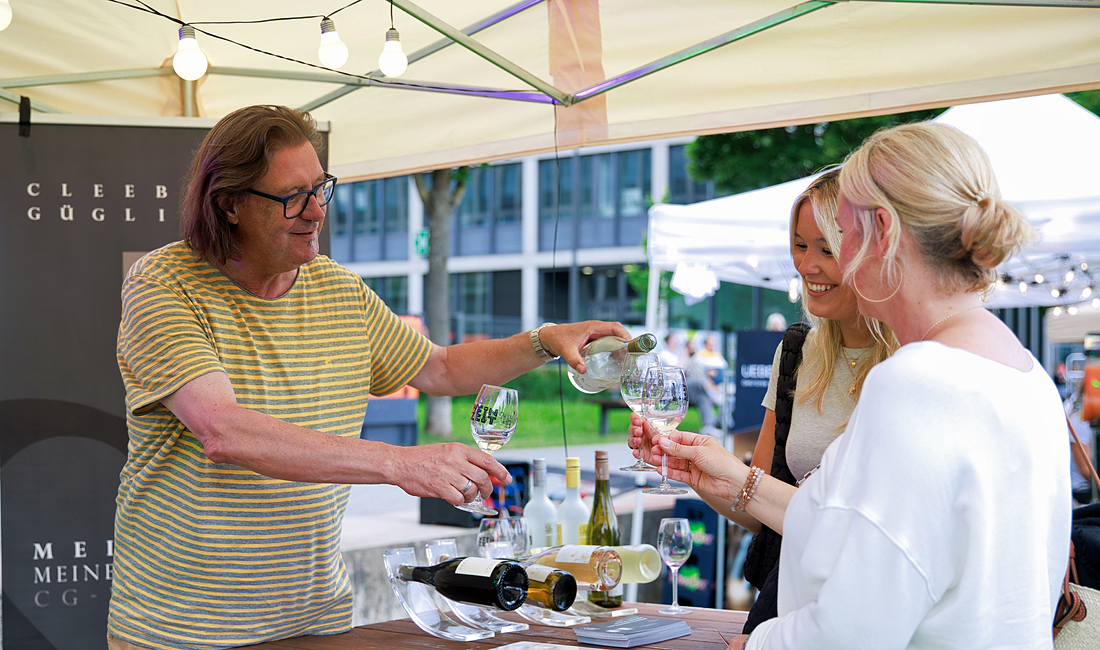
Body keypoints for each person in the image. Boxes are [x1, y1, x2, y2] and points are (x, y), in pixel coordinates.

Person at [109, 105, 630, 650]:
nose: (315, 212)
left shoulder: (338, 289)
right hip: (182, 628)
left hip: (316, 617)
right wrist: (400, 462)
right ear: (230, 204)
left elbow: (441, 367)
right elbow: (224, 431)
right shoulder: (164, 283)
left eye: (320, 188)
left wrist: (543, 341)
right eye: (291, 197)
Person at [638, 122, 1071, 649]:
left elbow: (852, 628)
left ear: (882, 232)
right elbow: (844, 525)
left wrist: (756, 645)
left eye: (841, 234)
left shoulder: (916, 382)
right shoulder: (1025, 374)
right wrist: (729, 478)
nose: (817, 264)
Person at [634, 169, 898, 632]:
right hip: (790, 612)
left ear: (866, 250)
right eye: (800, 245)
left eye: (826, 248)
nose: (807, 265)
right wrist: (690, 470)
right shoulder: (796, 352)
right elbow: (762, 514)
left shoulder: (912, 365)